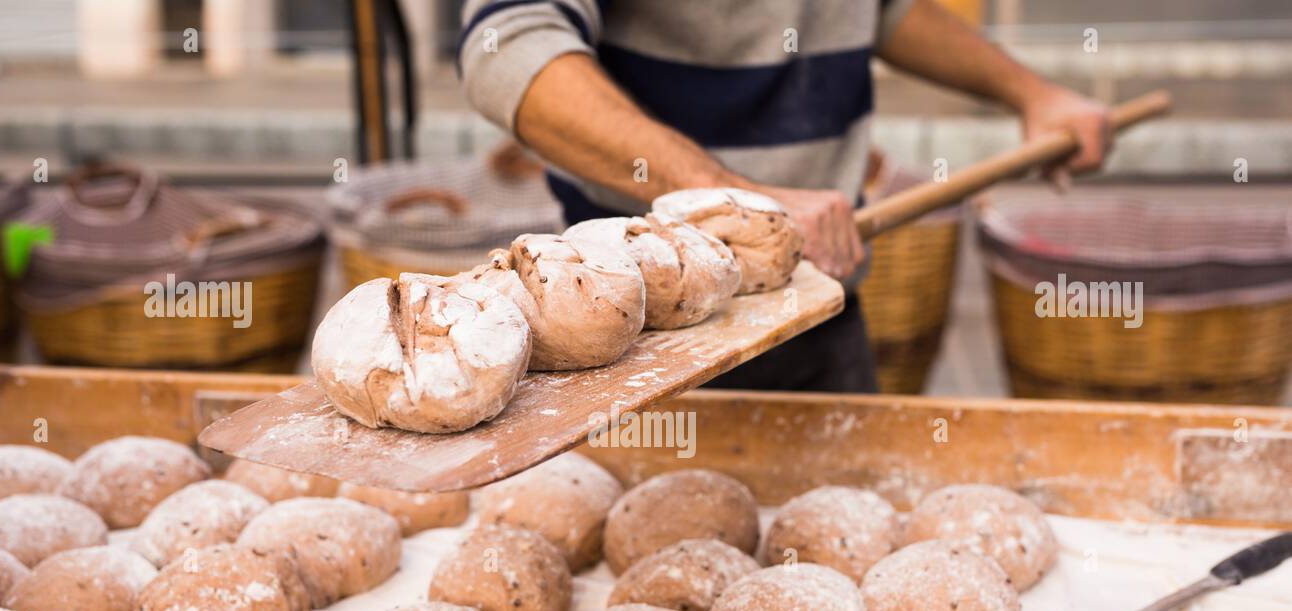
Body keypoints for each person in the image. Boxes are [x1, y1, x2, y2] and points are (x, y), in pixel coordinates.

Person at [458, 0, 1110, 392]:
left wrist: (1031, 93)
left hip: (819, 311)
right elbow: (507, 47)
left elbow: (880, 10)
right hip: (637, 346)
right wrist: (739, 203)